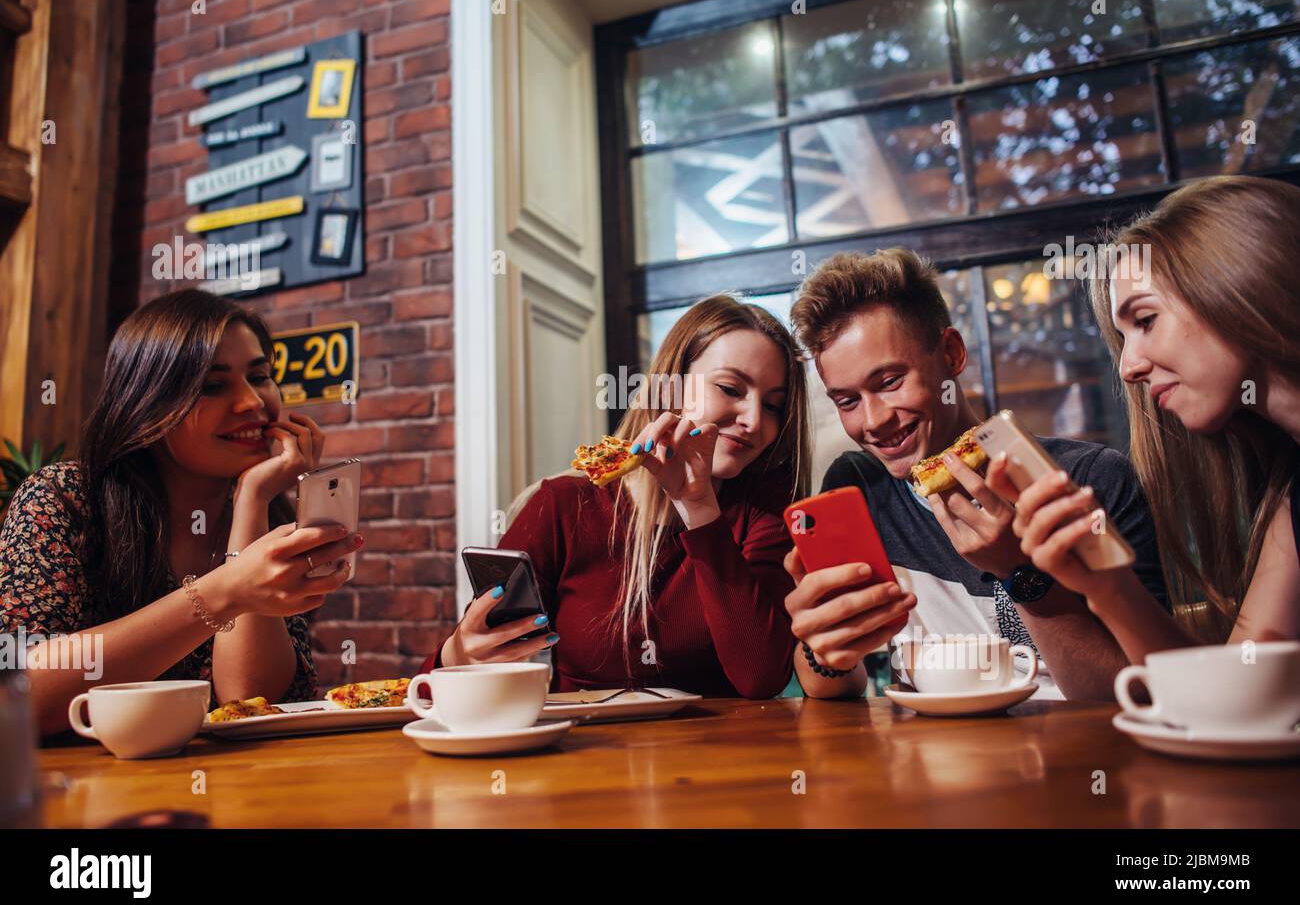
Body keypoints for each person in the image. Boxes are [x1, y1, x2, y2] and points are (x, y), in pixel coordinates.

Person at [783, 248, 1170, 701]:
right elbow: (830, 686)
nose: (873, 421)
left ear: (951, 353)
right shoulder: (857, 490)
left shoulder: (1092, 479)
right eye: (847, 400)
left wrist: (1019, 572)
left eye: (890, 382)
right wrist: (825, 648)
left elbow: (1146, 694)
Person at [0, 290, 361, 735]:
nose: (252, 402)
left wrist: (252, 500)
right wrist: (224, 590)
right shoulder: (64, 500)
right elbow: (21, 693)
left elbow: (249, 700)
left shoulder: (266, 513)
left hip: (238, 791)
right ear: (146, 399)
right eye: (213, 385)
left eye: (260, 376)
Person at [421, 294, 812, 698]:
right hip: (585, 752)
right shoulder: (562, 505)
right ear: (669, 389)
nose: (753, 420)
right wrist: (459, 655)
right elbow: (444, 687)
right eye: (730, 388)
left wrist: (699, 509)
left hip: (719, 757)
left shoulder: (764, 511)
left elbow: (761, 678)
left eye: (773, 406)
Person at [988, 175, 1300, 660]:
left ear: (1243, 281)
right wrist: (1109, 588)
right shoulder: (1290, 500)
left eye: (1146, 320)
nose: (1128, 367)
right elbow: (1234, 697)